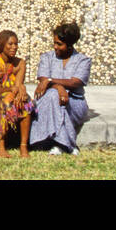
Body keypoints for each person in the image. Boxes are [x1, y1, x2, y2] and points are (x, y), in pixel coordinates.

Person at [30, 21, 91, 155]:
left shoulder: (83, 60)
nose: (55, 47)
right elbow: (42, 80)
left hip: (75, 102)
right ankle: (66, 145)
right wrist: (58, 87)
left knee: (57, 100)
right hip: (49, 100)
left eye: (59, 44)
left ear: (69, 45)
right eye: (55, 43)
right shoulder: (47, 57)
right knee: (53, 96)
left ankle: (59, 144)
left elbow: (75, 82)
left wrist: (51, 81)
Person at [0, 30, 34, 157]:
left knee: (26, 102)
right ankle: (1, 145)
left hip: (12, 97)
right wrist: (17, 89)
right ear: (1, 44)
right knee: (6, 99)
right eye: (10, 44)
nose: (14, 47)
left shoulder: (20, 63)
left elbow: (19, 86)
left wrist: (22, 91)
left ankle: (23, 146)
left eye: (16, 44)